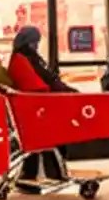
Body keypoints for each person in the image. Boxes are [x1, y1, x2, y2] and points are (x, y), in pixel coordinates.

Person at [6, 26, 73, 189]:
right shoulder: (29, 59)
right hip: (38, 107)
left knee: (35, 142)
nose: (36, 45)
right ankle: (55, 173)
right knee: (53, 137)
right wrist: (68, 92)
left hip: (31, 109)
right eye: (35, 42)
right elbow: (45, 82)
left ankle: (28, 174)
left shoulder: (18, 59)